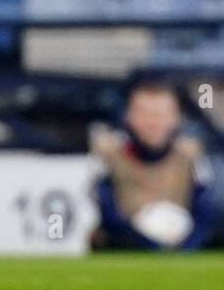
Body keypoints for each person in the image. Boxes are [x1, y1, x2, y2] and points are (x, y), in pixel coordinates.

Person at [90, 79, 217, 252]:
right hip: (123, 248)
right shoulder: (109, 154)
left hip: (181, 246)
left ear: (177, 117)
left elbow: (206, 209)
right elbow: (104, 208)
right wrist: (146, 242)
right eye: (143, 113)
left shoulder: (191, 156)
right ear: (128, 116)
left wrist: (187, 247)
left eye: (160, 114)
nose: (152, 122)